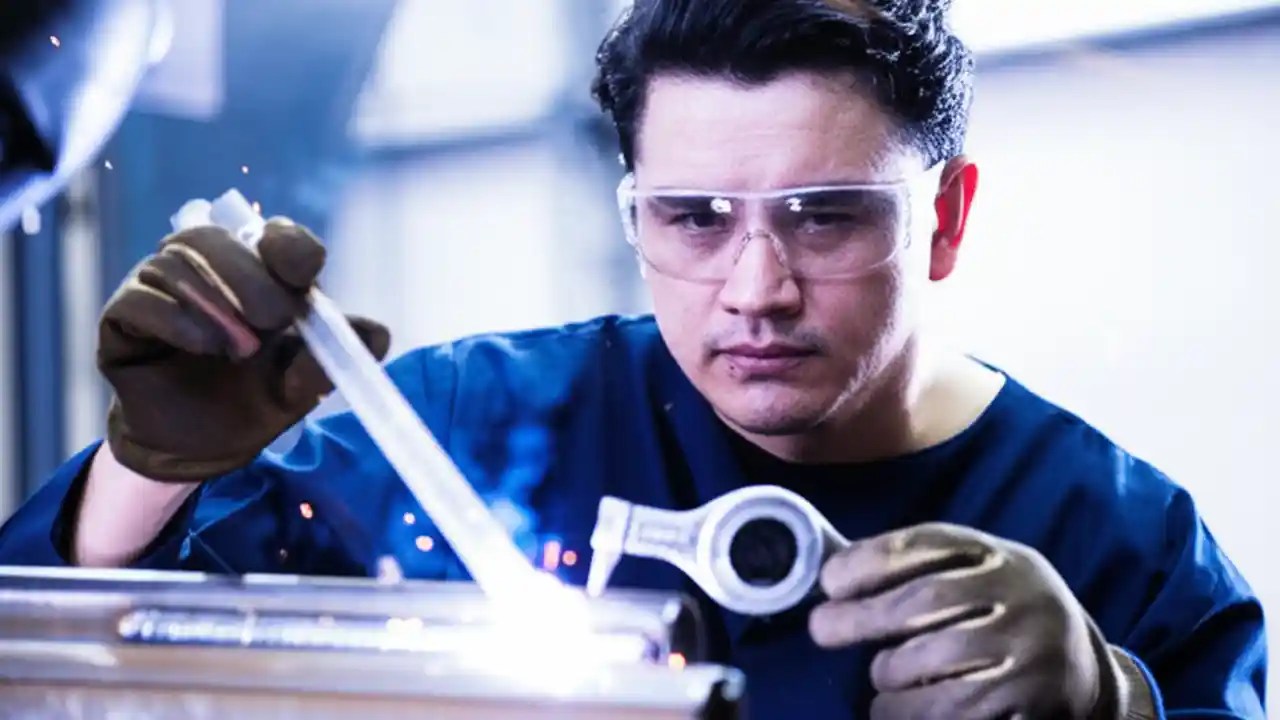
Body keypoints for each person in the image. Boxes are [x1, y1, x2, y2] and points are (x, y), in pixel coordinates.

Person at [0, 0, 1267, 717]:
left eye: (825, 213)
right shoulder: (451, 427)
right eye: (692, 218)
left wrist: (1123, 709)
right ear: (633, 214)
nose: (754, 290)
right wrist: (143, 473)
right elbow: (76, 671)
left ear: (939, 218)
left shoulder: (1125, 543)